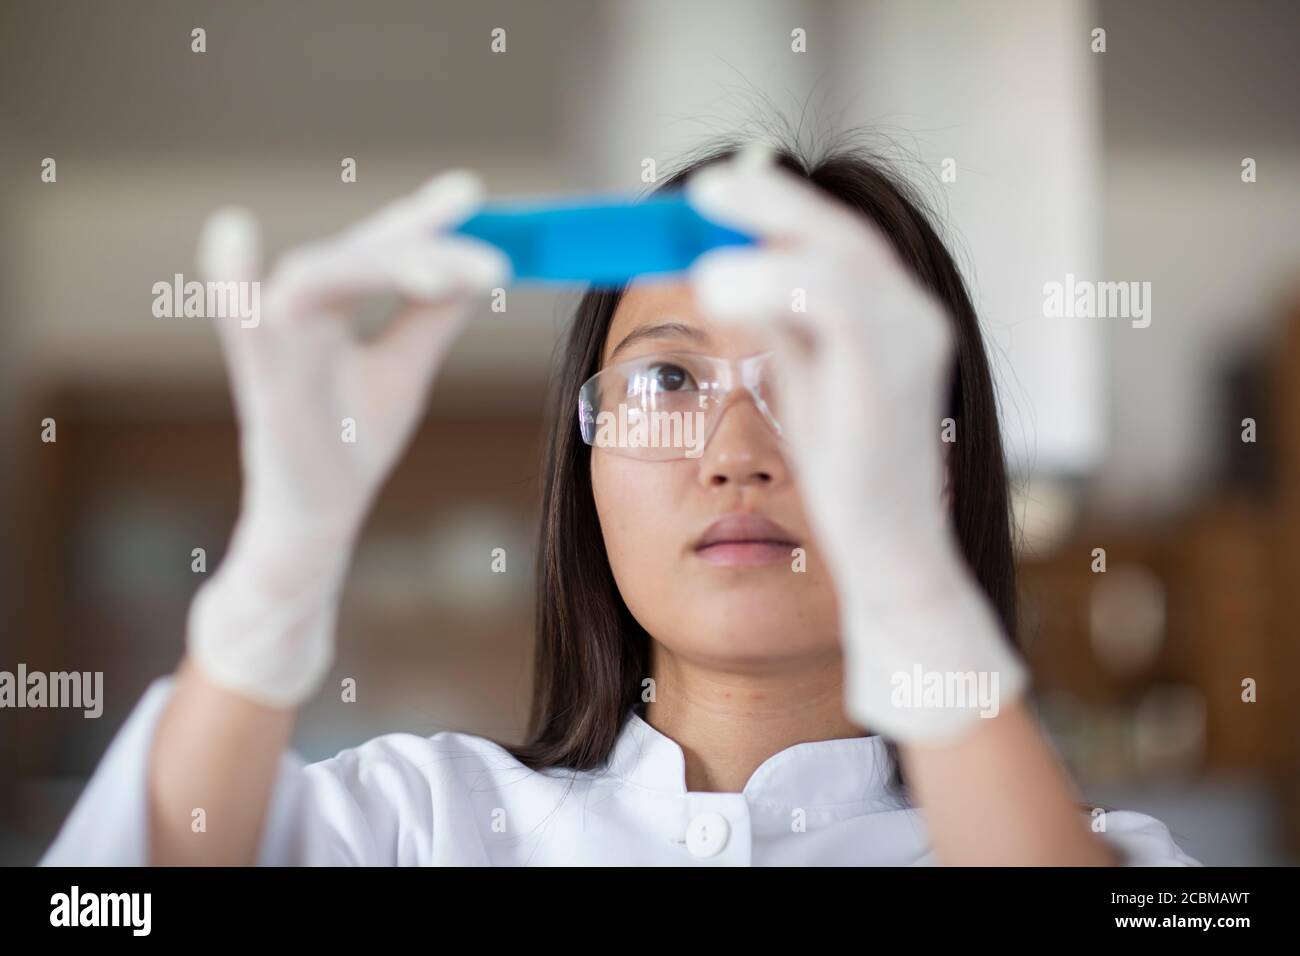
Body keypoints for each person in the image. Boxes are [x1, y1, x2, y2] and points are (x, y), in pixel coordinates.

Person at [41, 140, 1199, 866]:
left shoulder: (1112, 859)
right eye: (667, 379)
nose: (735, 452)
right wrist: (278, 563)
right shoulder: (408, 824)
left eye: (810, 376)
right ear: (583, 464)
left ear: (939, 451)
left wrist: (913, 586)